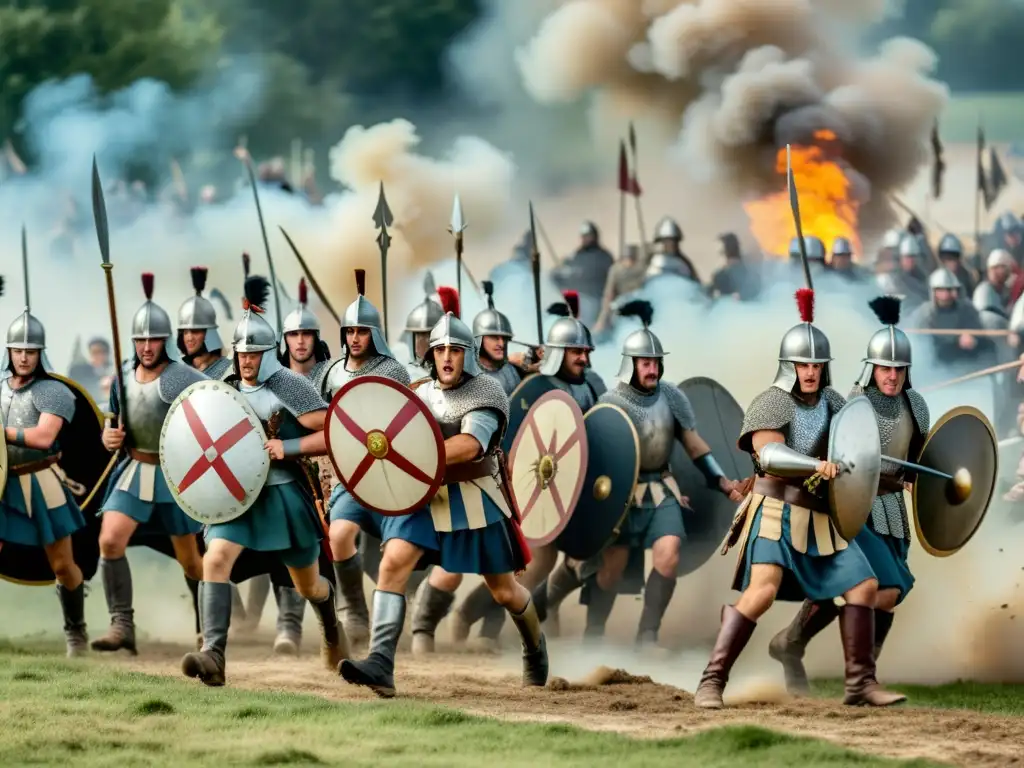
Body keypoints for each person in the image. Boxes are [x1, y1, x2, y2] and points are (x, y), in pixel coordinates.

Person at [693, 287, 903, 709]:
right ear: (788, 364)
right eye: (803, 363)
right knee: (762, 592)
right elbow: (767, 454)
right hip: (775, 510)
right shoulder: (770, 402)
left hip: (821, 516)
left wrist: (891, 478)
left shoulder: (833, 402)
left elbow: (855, 454)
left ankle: (860, 684)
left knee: (863, 585)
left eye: (817, 364)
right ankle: (711, 681)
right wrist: (815, 466)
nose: (810, 371)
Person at [339, 291, 547, 697]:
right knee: (393, 563)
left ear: (467, 354)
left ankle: (534, 649)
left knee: (503, 590)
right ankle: (381, 662)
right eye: (439, 350)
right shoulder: (418, 391)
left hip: (472, 496)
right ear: (430, 355)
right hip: (423, 492)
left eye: (454, 349)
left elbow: (470, 446)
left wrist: (407, 454)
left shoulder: (486, 392)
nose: (446, 358)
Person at [180, 274, 344, 687]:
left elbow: (329, 433)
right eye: (242, 353)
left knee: (307, 584)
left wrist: (287, 449)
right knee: (214, 560)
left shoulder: (288, 385)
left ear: (269, 352)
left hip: (283, 495)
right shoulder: (224, 386)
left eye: (254, 353)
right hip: (237, 496)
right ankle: (214, 654)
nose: (247, 361)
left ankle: (330, 623)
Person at [767, 296, 929, 693]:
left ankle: (798, 646)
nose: (891, 376)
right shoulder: (854, 404)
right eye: (885, 368)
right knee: (853, 583)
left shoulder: (917, 406)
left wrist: (917, 482)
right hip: (855, 504)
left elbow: (919, 458)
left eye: (898, 369)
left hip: (894, 509)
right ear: (871, 367)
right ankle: (857, 676)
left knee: (887, 592)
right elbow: (830, 452)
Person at [436, 291, 606, 651]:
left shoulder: (595, 386)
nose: (584, 357)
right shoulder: (533, 387)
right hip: (532, 483)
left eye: (586, 351)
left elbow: (604, 431)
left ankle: (539, 622)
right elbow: (512, 440)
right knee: (525, 567)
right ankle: (473, 620)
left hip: (581, 487)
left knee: (581, 559)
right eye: (576, 351)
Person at [582, 300, 744, 643]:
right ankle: (593, 632)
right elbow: (595, 456)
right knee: (611, 571)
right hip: (621, 493)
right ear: (630, 365)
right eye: (645, 363)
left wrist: (720, 480)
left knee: (668, 556)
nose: (652, 369)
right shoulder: (611, 403)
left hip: (661, 490)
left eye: (656, 362)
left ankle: (648, 634)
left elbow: (694, 444)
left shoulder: (671, 396)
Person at [92, 274, 206, 655]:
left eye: (152, 339)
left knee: (191, 562)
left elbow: (209, 424)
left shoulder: (185, 378)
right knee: (109, 540)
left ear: (165, 340)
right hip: (135, 468)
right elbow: (114, 424)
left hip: (175, 474)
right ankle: (122, 624)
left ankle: (208, 626)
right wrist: (110, 438)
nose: (145, 347)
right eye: (139, 340)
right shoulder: (121, 379)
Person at [323, 270, 412, 648]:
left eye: (361, 331)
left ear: (373, 333)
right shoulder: (329, 373)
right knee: (339, 535)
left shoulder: (393, 372)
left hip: (390, 474)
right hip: (349, 474)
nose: (354, 338)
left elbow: (409, 424)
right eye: (349, 331)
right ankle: (354, 611)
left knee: (394, 551)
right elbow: (318, 419)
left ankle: (396, 615)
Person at [1, 303, 91, 656]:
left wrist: (2, 432)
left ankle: (75, 632)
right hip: (3, 482)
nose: (24, 357)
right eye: (18, 350)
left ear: (40, 353)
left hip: (42, 482)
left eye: (31, 351)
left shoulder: (54, 392)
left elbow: (42, 437)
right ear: (9, 352)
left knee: (62, 565)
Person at [549, 221, 614, 327]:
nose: (586, 239)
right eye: (584, 236)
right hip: (574, 301)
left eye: (589, 236)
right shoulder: (575, 257)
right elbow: (559, 276)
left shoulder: (604, 257)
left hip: (596, 301)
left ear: (595, 236)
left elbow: (612, 280)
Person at [177, 266, 232, 380]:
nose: (189, 338)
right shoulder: (178, 371)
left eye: (195, 331)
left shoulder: (228, 371)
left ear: (209, 333)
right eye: (186, 332)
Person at [401, 274, 443, 382]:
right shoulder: (406, 374)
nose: (425, 341)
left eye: (429, 335)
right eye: (420, 335)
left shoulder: (451, 372)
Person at [645, 217, 700, 283]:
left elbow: (694, 283)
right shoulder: (652, 262)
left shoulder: (684, 263)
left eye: (673, 241)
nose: (670, 244)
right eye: (666, 241)